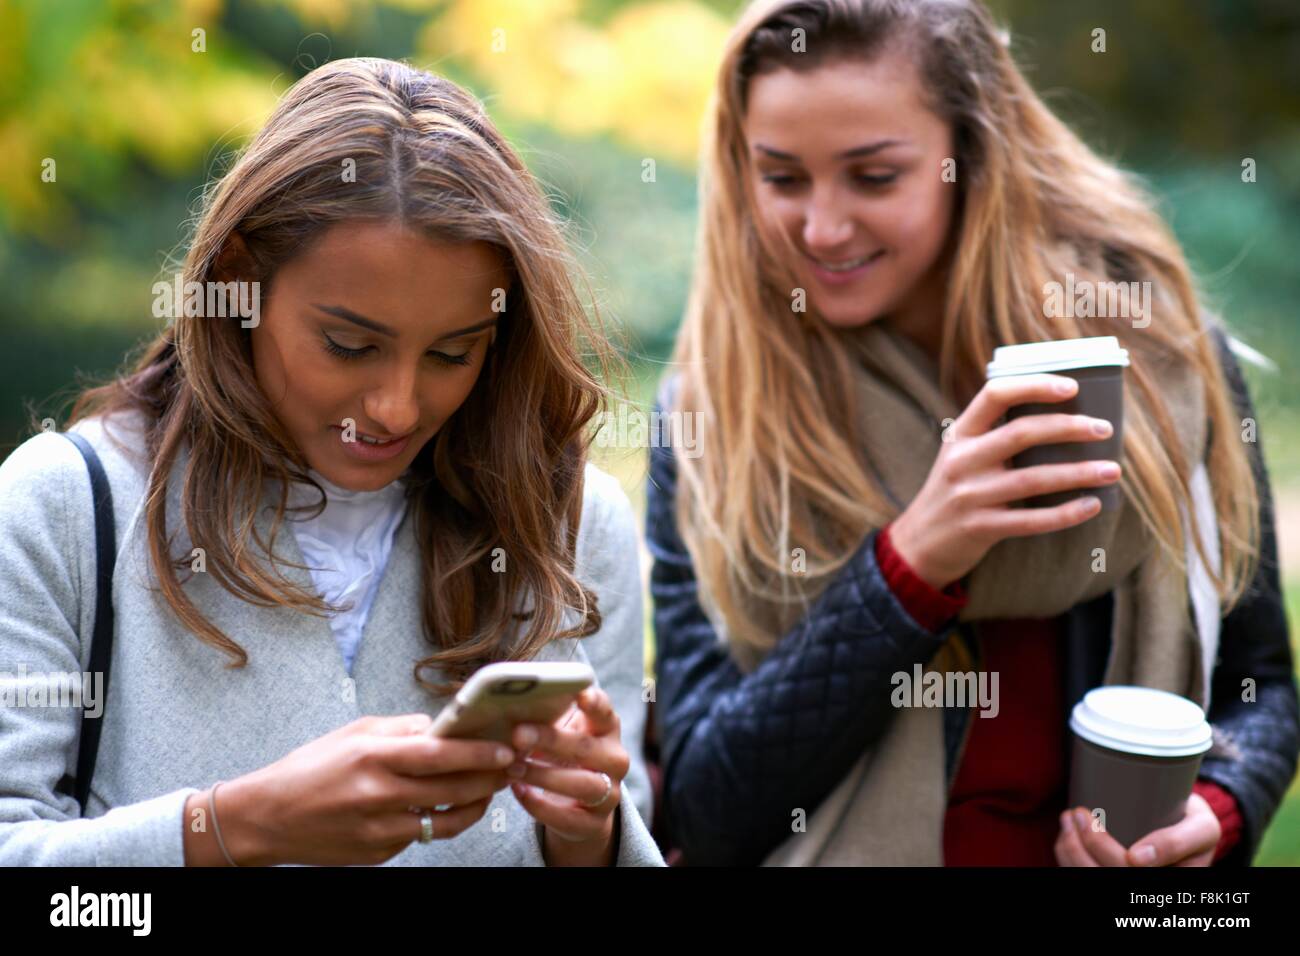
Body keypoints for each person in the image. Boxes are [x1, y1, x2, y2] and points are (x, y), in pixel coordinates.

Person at [648, 0, 1298, 866]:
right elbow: (705, 808)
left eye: (873, 177)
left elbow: (1262, 688)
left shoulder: (1163, 362)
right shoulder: (711, 410)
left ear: (971, 150)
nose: (823, 227)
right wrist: (911, 564)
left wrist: (1217, 812)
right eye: (782, 178)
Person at [0, 57, 662, 867]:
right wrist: (231, 827)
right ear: (240, 279)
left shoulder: (569, 522)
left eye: (453, 354)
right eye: (349, 345)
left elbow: (618, 833)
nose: (395, 406)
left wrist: (585, 831)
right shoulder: (63, 508)